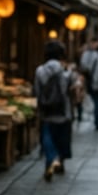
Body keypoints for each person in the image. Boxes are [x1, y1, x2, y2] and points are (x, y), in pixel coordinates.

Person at [33, 39, 77, 181]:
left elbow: (37, 91)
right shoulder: (66, 70)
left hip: (46, 111)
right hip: (63, 111)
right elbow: (73, 89)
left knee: (48, 137)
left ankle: (49, 162)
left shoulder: (40, 70)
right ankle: (60, 163)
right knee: (62, 139)